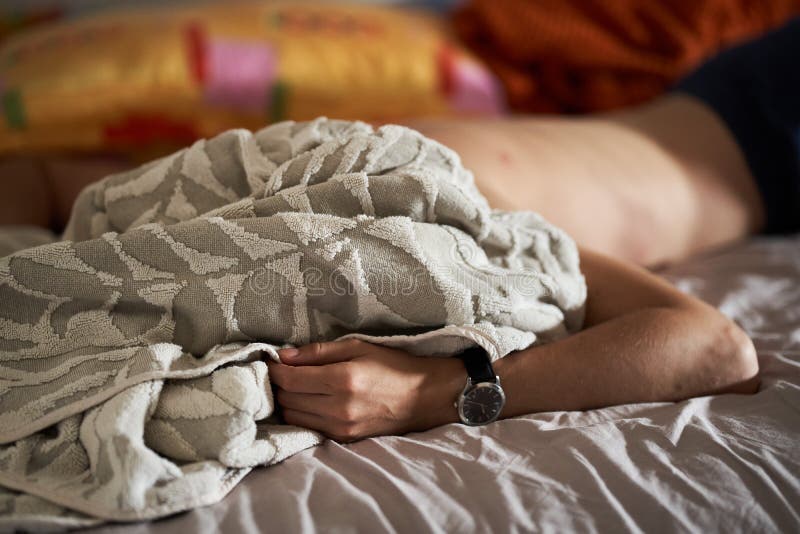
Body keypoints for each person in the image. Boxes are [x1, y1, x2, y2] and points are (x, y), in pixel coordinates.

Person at [4, 19, 798, 442]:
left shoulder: (417, 215)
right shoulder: (176, 227)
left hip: (757, 123)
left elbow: (715, 349)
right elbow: (34, 179)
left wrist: (433, 395)